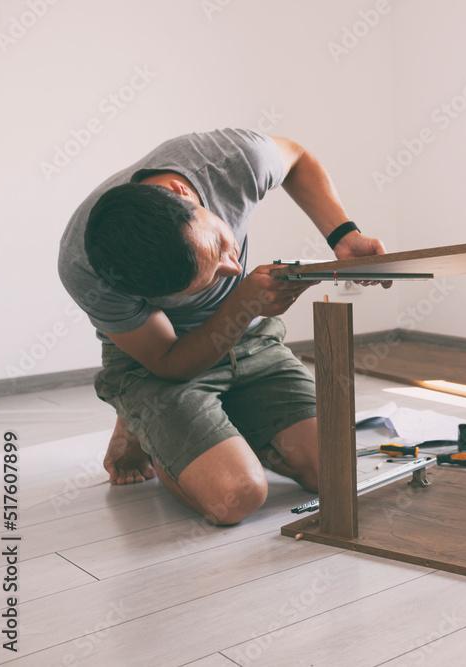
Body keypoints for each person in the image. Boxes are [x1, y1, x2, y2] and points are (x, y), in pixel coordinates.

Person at [59, 128, 389, 525]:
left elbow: (297, 159)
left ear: (181, 192)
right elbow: (168, 362)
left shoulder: (228, 160)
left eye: (218, 247)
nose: (234, 268)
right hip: (160, 364)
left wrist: (343, 234)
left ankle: (201, 428)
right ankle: (147, 419)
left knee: (336, 471)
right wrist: (245, 304)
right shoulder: (85, 266)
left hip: (251, 342)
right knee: (235, 497)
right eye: (211, 276)